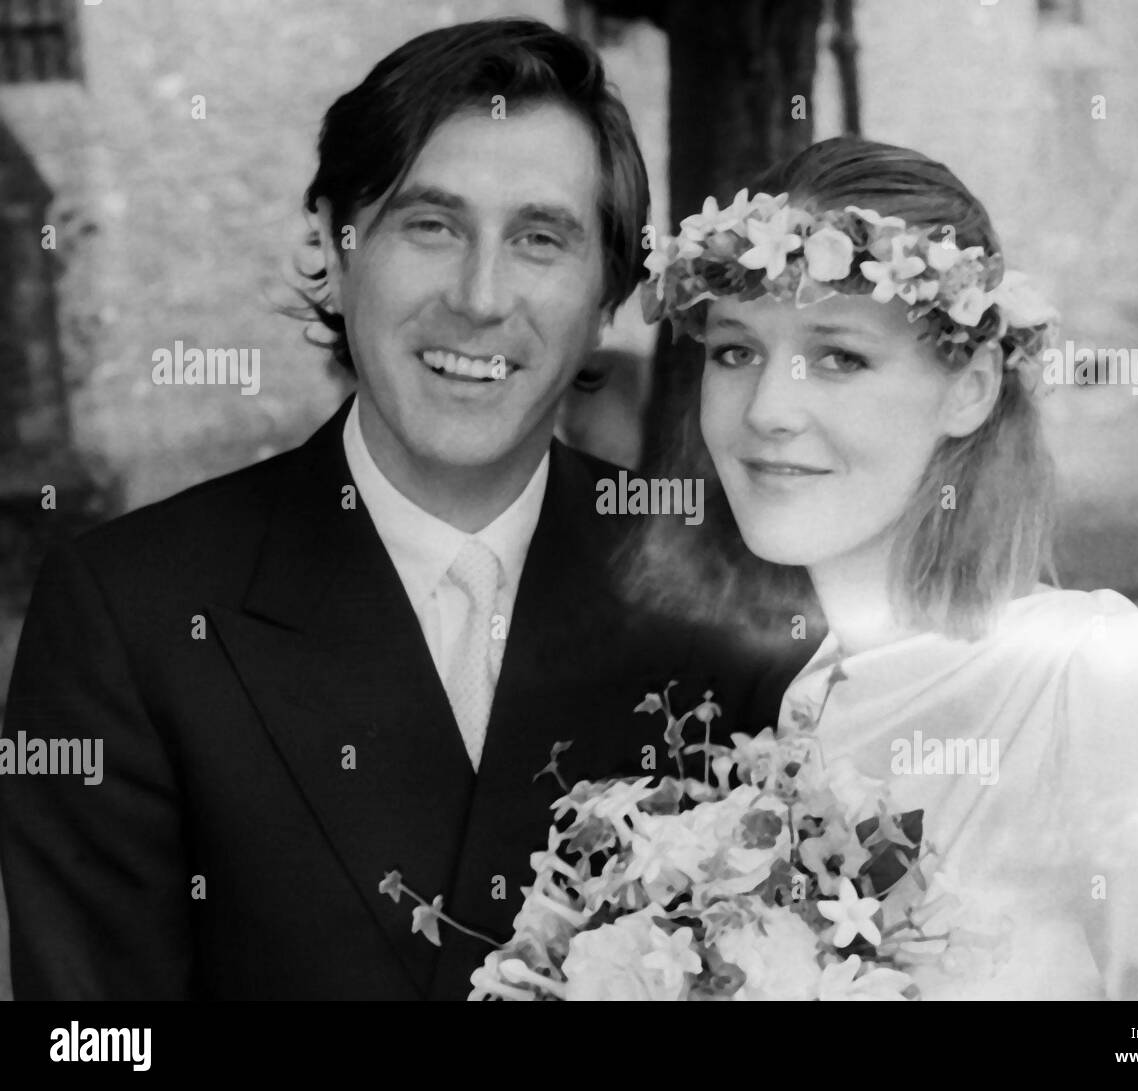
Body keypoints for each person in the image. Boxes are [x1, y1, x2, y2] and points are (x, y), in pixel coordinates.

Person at [0, 19, 802, 1000]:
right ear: (335, 251)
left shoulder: (720, 599)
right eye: (433, 225)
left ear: (608, 294)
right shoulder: (129, 615)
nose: (478, 295)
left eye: (540, 239)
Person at [630, 135, 1138, 999]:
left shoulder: (1099, 675)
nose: (768, 410)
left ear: (970, 387)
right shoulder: (805, 702)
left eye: (839, 356)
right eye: (736, 351)